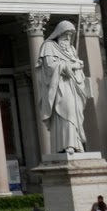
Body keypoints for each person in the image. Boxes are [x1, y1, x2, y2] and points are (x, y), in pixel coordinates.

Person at [37, 20, 89, 153]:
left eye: (70, 35)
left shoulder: (72, 49)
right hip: (59, 86)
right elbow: (50, 67)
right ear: (59, 33)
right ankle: (67, 145)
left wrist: (78, 66)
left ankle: (76, 144)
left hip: (73, 85)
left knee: (75, 113)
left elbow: (77, 68)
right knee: (67, 110)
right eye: (66, 34)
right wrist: (70, 66)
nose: (68, 38)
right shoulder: (49, 46)